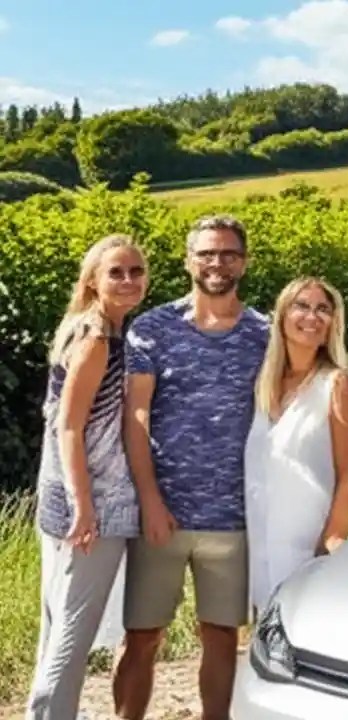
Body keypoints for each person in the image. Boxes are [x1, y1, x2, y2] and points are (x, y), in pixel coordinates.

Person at [111, 215, 269, 720]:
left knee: (222, 637)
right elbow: (135, 418)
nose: (217, 263)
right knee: (142, 636)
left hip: (233, 518)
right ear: (188, 261)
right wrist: (151, 499)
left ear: (243, 261)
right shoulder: (152, 329)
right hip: (162, 515)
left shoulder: (266, 334)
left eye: (227, 254)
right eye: (206, 253)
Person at [25, 234, 149, 720]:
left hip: (62, 499)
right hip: (93, 506)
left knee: (56, 627)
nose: (127, 280)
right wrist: (85, 506)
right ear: (92, 281)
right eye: (115, 272)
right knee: (71, 638)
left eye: (136, 271)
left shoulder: (91, 330)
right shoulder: (98, 340)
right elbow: (69, 426)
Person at [244, 276, 348, 614]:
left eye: (322, 309)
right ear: (282, 315)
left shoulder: (336, 384)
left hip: (308, 540)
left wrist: (332, 538)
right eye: (301, 306)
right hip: (259, 536)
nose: (311, 317)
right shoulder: (263, 384)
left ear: (333, 324)